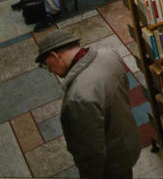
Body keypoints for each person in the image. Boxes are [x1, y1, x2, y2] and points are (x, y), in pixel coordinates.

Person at [35, 29, 141, 179]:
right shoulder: (108, 54)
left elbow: (91, 153)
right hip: (129, 141)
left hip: (112, 165)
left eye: (47, 65)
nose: (51, 71)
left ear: (55, 55)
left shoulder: (78, 98)